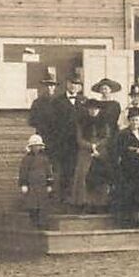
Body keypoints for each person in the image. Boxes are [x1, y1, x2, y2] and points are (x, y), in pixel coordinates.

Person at [113, 108, 139, 228]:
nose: (135, 122)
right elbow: (120, 149)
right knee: (131, 193)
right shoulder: (123, 134)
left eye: (137, 120)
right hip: (130, 169)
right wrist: (135, 151)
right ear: (128, 121)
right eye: (132, 120)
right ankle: (131, 220)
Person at [71, 100, 113, 212]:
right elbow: (79, 139)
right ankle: (84, 201)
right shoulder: (82, 122)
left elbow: (107, 137)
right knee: (83, 174)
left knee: (101, 175)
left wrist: (97, 145)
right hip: (85, 151)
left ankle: (101, 202)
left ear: (99, 110)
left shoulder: (104, 122)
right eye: (91, 109)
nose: (93, 111)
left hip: (100, 150)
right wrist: (90, 146)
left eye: (95, 109)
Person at [49, 74, 86, 203]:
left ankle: (77, 198)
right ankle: (65, 197)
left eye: (77, 84)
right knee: (65, 169)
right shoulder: (57, 102)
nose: (74, 86)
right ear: (67, 84)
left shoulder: (84, 101)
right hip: (63, 142)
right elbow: (52, 124)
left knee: (79, 169)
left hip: (80, 142)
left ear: (79, 87)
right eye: (72, 83)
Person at [18, 134, 56, 229]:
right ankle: (34, 223)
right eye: (34, 146)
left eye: (38, 146)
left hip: (42, 185)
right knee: (32, 205)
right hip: (32, 186)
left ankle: (42, 223)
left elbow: (48, 171)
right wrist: (24, 184)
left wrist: (49, 184)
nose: (36, 148)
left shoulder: (44, 159)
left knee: (43, 205)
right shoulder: (26, 159)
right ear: (30, 147)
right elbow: (23, 172)